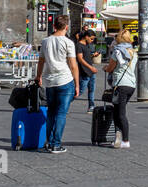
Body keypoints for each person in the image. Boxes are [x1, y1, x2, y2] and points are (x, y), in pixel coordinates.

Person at [34, 15, 80, 153]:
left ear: (54, 26)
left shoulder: (45, 41)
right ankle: (56, 144)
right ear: (66, 27)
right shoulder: (68, 42)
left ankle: (49, 142)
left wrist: (38, 76)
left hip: (50, 82)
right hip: (65, 80)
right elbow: (73, 65)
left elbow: (41, 61)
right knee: (61, 114)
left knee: (51, 113)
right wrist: (77, 84)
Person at [103, 29, 137, 149]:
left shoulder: (117, 51)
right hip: (131, 85)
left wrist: (105, 68)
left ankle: (126, 140)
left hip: (120, 84)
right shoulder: (133, 52)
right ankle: (117, 139)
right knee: (117, 111)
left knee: (121, 113)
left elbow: (111, 67)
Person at [75, 28, 99, 113]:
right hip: (84, 71)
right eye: (91, 38)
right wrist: (91, 67)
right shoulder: (79, 45)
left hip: (90, 71)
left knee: (92, 89)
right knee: (81, 90)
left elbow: (86, 57)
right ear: (86, 37)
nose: (92, 41)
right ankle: (65, 102)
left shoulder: (86, 45)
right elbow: (80, 59)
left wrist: (93, 56)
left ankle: (91, 106)